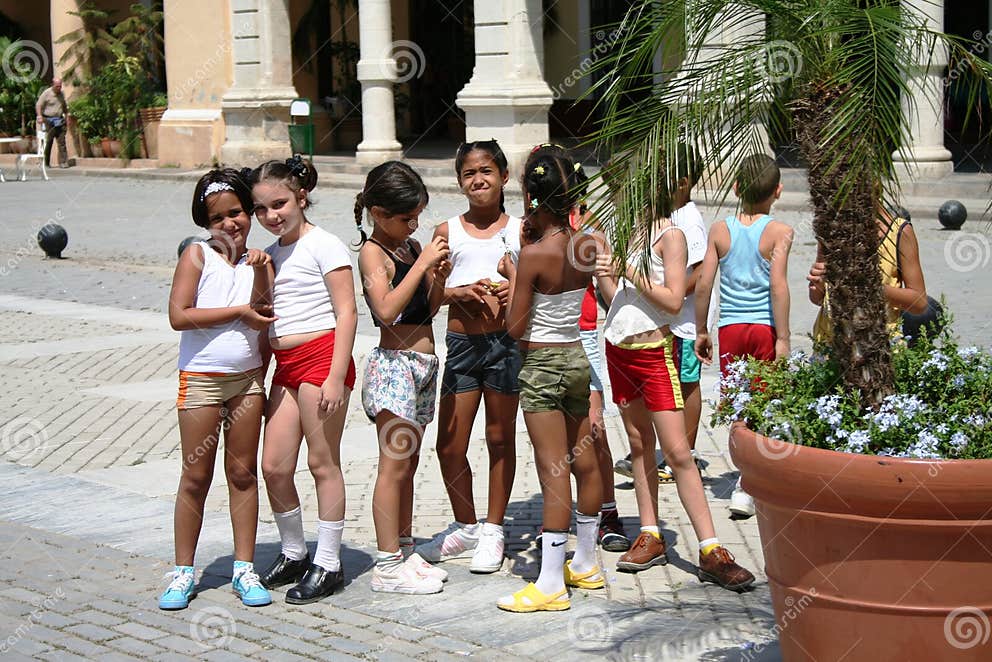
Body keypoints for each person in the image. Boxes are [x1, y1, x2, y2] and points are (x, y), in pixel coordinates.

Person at [597, 155, 755, 592]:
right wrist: (604, 275)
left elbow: (670, 299)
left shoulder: (672, 235)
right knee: (637, 444)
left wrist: (625, 269)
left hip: (654, 352)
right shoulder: (624, 230)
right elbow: (618, 297)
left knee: (678, 452)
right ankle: (650, 533)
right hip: (618, 347)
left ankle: (711, 547)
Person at [160, 169, 275, 610]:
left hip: (247, 381)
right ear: (205, 222)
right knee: (195, 476)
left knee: (243, 474)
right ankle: (183, 572)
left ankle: (245, 568)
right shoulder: (196, 256)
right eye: (219, 217)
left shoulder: (258, 260)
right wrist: (238, 312)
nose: (231, 223)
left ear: (249, 212)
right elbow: (179, 315)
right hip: (203, 379)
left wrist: (262, 277)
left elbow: (264, 311)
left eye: (238, 213)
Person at [496, 147, 603, 613]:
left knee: (552, 468)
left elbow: (515, 327)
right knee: (585, 462)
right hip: (578, 356)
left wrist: (514, 273)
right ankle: (587, 561)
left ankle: (551, 581)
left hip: (542, 364)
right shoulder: (590, 243)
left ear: (533, 197)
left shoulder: (533, 253)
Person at [249, 156, 358, 604]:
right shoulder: (272, 254)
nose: (272, 216)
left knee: (321, 462)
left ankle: (329, 561)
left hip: (321, 359)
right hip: (285, 365)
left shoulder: (325, 244)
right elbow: (264, 312)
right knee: (273, 466)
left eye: (280, 203)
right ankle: (294, 551)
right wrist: (258, 271)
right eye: (261, 209)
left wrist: (335, 376)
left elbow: (348, 310)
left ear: (301, 197)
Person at [416, 140, 522, 574]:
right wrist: (455, 291)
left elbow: (533, 291)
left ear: (503, 177)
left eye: (486, 171)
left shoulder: (521, 229)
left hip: (505, 346)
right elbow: (428, 296)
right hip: (461, 347)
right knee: (450, 443)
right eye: (468, 174)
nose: (478, 180)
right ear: (459, 181)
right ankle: (466, 524)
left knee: (500, 439)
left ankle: (494, 528)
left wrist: (509, 288)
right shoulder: (446, 231)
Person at [355, 161, 452, 594]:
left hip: (424, 365)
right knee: (392, 469)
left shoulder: (410, 246)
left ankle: (405, 547)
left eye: (417, 216)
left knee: (409, 466)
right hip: (394, 368)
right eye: (405, 217)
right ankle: (386, 564)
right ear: (378, 212)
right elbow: (386, 310)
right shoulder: (372, 253)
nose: (413, 224)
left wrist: (438, 279)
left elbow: (425, 310)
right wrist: (422, 265)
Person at [694, 153, 795, 519]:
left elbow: (704, 283)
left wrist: (701, 328)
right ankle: (752, 483)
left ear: (735, 187)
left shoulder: (720, 230)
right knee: (765, 402)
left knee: (738, 404)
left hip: (731, 328)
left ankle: (744, 479)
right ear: (778, 191)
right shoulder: (781, 232)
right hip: (764, 328)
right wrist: (782, 338)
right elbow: (778, 286)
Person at [808, 197, 929, 344]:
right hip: (830, 344)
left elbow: (919, 303)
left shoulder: (899, 232)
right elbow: (817, 298)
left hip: (878, 346)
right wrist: (819, 284)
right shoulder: (831, 228)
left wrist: (871, 288)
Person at [35, 78, 69, 168]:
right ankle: (45, 163)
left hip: (59, 120)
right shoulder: (47, 93)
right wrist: (39, 116)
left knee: (62, 142)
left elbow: (64, 107)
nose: (59, 88)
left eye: (60, 86)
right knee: (48, 142)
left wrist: (66, 118)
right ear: (53, 85)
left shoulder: (61, 94)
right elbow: (38, 105)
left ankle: (63, 162)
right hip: (48, 120)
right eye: (57, 86)